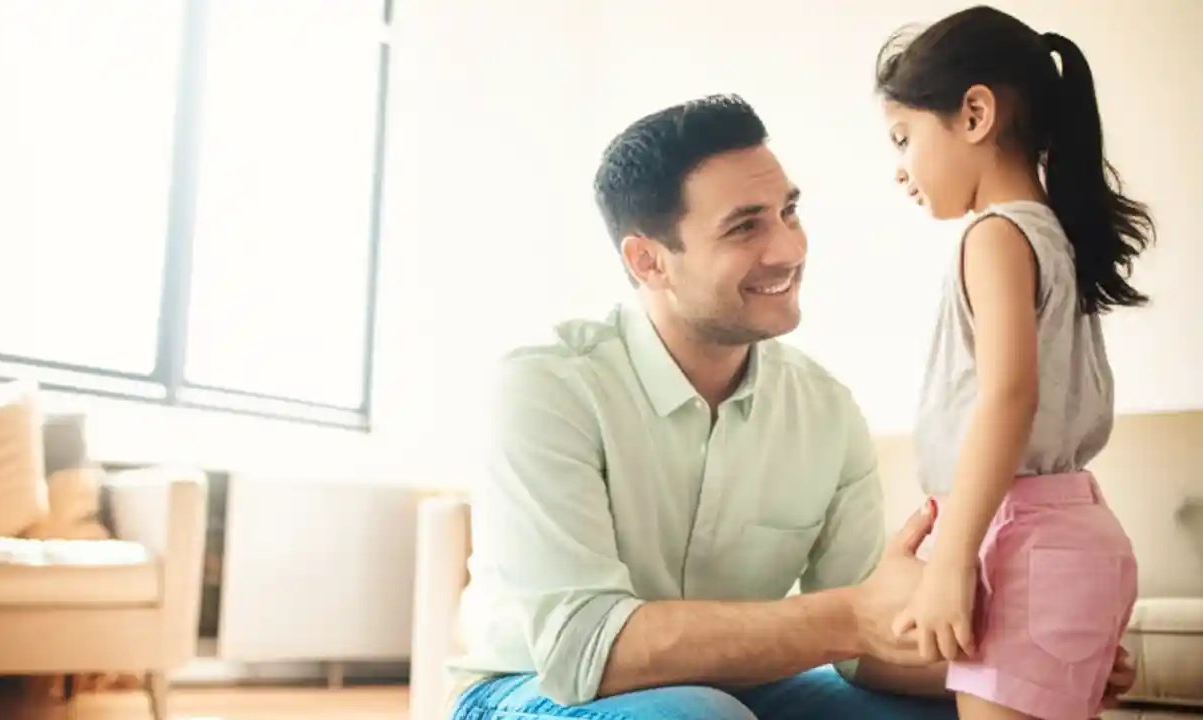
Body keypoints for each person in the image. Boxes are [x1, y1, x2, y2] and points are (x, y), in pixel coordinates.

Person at [448, 94, 1133, 720]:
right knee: (699, 719)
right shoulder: (547, 388)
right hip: (530, 685)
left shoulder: (826, 410)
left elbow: (865, 645)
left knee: (946, 713)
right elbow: (583, 649)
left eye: (790, 212)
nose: (789, 249)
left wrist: (1029, 656)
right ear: (648, 260)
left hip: (745, 685)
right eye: (745, 227)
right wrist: (852, 618)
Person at [876, 7, 1151, 720]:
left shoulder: (994, 237)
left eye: (903, 137)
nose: (899, 169)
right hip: (1073, 537)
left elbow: (1008, 397)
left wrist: (951, 558)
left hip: (1020, 541)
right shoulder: (1054, 236)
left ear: (974, 114)